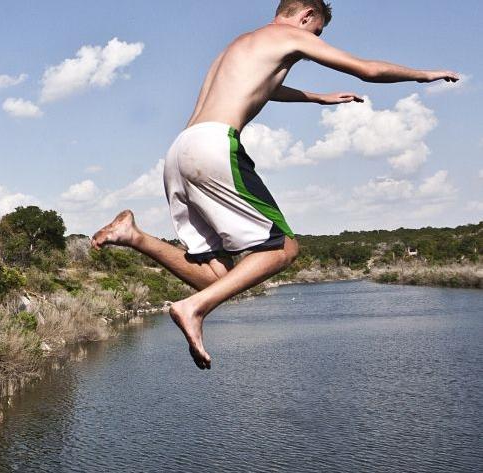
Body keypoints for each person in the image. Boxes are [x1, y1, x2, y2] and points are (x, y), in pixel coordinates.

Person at [91, 0, 459, 370]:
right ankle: (191, 310)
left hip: (180, 151)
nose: (315, 40)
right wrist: (423, 74)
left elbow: (263, 85)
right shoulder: (290, 35)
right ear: (306, 16)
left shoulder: (240, 45)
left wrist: (316, 97)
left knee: (219, 278)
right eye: (316, 32)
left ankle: (134, 236)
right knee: (283, 249)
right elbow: (367, 70)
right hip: (215, 146)